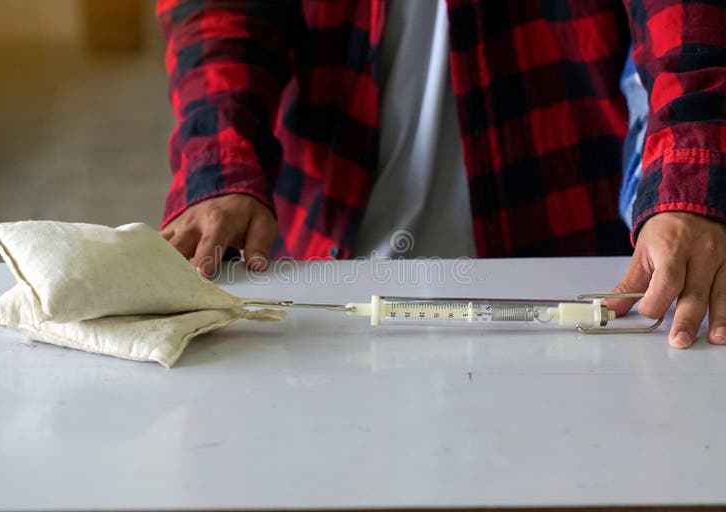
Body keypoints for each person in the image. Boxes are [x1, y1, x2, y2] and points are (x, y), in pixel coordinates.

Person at [156, 0, 726, 349]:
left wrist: (693, 175)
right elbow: (222, 14)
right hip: (316, 266)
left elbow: (683, 18)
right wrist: (220, 164)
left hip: (561, 262)